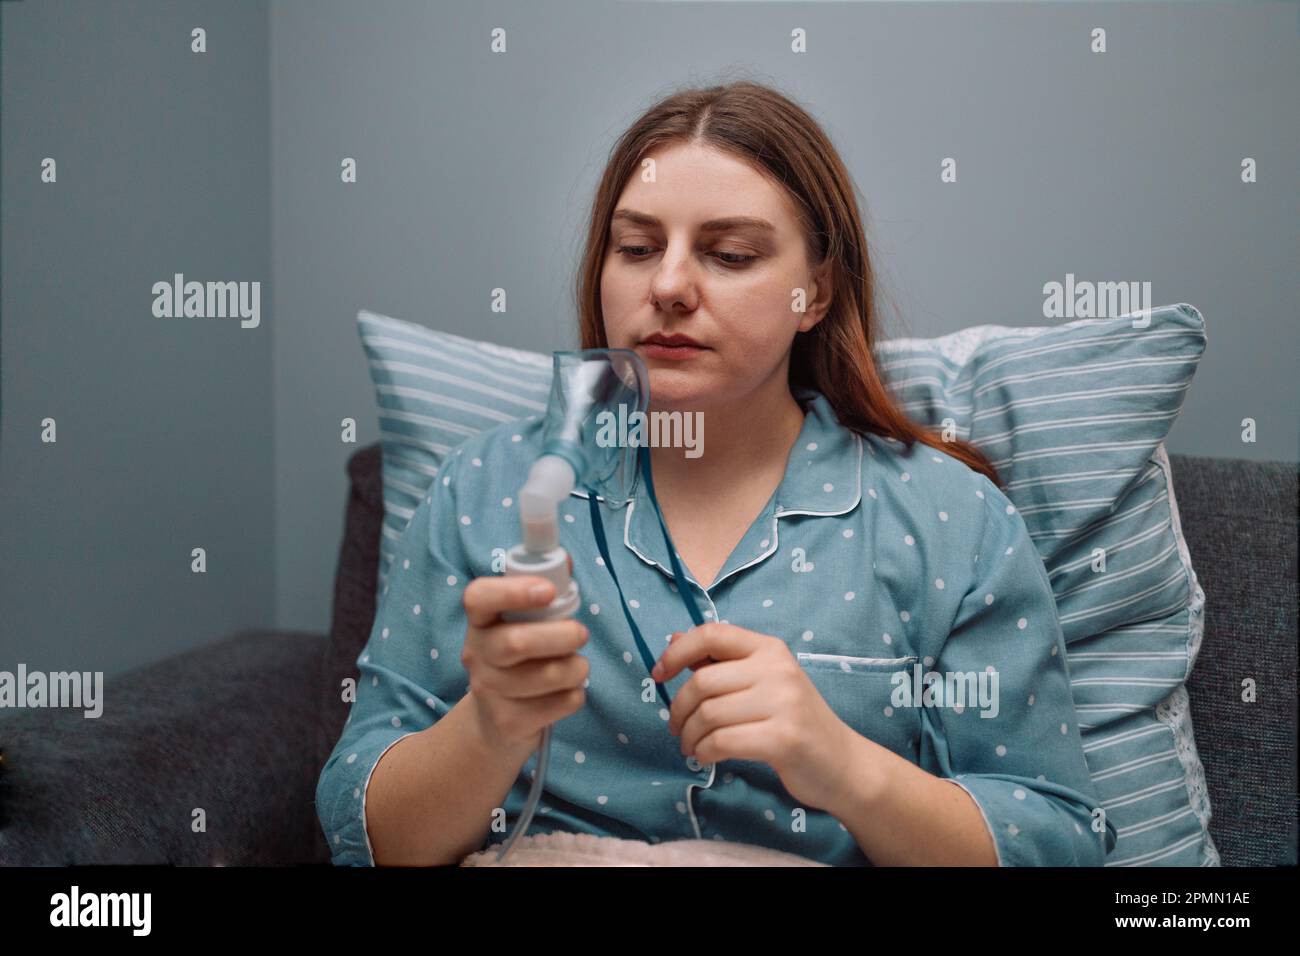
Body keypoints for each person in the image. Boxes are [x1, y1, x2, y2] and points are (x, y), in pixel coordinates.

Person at [316, 80, 1118, 867]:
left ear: (817, 292)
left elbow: (1053, 841)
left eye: (729, 254)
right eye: (635, 248)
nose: (666, 286)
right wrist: (488, 727)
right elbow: (368, 830)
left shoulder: (950, 523)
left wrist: (845, 767)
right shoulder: (483, 493)